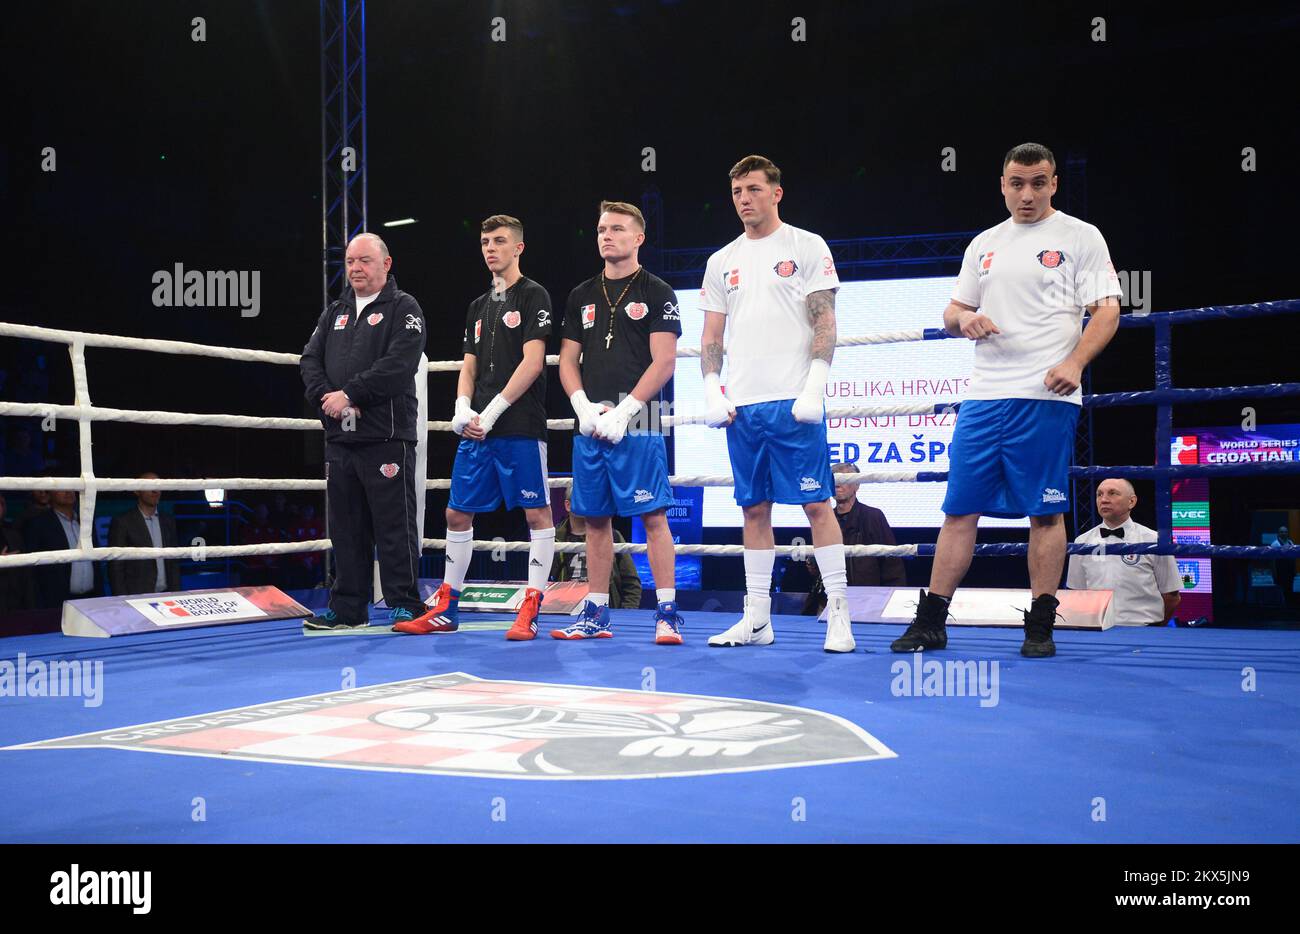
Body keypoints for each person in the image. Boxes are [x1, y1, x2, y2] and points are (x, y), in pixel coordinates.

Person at [891, 142, 1122, 658]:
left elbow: (1106, 311)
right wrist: (964, 319)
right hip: (983, 396)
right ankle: (931, 621)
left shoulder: (1081, 236)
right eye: (1017, 183)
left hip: (1045, 394)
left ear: (1054, 184)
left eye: (1038, 182)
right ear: (1002, 185)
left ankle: (1040, 624)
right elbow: (953, 311)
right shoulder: (985, 243)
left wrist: (1075, 363)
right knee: (958, 509)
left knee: (1045, 513)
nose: (1027, 193)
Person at [696, 155, 854, 653]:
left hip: (794, 399)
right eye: (737, 191)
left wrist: (815, 387)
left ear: (776, 192)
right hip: (744, 405)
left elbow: (825, 320)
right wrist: (711, 387)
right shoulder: (721, 260)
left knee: (816, 504)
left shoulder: (806, 245)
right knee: (753, 510)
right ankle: (758, 619)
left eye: (754, 189)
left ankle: (839, 617)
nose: (745, 198)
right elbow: (712, 335)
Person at [393, 215, 555, 640]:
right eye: (485, 242)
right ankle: (447, 606)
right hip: (478, 429)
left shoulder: (534, 295)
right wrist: (462, 406)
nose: (490, 248)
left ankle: (531, 608)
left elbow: (533, 362)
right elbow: (470, 365)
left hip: (519, 424)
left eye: (499, 241)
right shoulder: (477, 306)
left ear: (518, 247)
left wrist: (495, 409)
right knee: (456, 511)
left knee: (536, 512)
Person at [551, 201, 684, 643]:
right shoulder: (581, 294)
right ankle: (596, 613)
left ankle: (666, 612)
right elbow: (568, 360)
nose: (607, 236)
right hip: (590, 421)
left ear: (638, 237)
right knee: (593, 519)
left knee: (653, 515)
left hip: (640, 417)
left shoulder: (657, 291)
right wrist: (583, 407)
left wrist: (626, 410)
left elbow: (665, 361)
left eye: (618, 229)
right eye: (602, 229)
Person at [299, 232, 432, 631]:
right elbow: (309, 360)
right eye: (351, 261)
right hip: (341, 437)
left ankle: (405, 603)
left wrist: (351, 392)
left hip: (386, 436)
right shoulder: (335, 310)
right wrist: (328, 398)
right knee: (346, 527)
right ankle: (348, 608)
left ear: (386, 264)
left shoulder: (404, 307)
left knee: (394, 524)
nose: (355, 268)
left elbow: (399, 364)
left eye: (365, 261)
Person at [1066, 478, 1181, 625]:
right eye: (1099, 494)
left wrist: (1155, 627)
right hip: (1096, 630)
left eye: (1112, 493)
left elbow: (1172, 595)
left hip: (1145, 629)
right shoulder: (1082, 542)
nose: (1104, 499)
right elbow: (1077, 593)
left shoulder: (1154, 540)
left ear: (1131, 502)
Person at [802, 462, 907, 614]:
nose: (838, 484)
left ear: (857, 485)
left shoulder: (873, 516)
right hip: (830, 599)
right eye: (834, 480)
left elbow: (892, 563)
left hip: (869, 600)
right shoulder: (822, 519)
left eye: (844, 479)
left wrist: (894, 601)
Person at [551, 491, 643, 610]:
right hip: (564, 609)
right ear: (568, 505)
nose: (587, 505)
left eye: (590, 500)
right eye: (582, 500)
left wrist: (626, 614)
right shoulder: (554, 539)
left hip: (607, 609)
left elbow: (631, 583)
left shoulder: (613, 536)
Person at [107, 471, 182, 595]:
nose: (155, 491)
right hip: (137, 596)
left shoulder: (168, 520)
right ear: (137, 490)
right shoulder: (122, 522)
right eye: (149, 486)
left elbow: (173, 561)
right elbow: (116, 566)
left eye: (158, 486)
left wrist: (176, 593)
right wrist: (121, 598)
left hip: (167, 594)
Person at [26, 488, 101, 609]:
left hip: (91, 599)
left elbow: (95, 561)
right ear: (50, 494)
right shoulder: (39, 524)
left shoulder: (86, 521)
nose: (68, 491)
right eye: (61, 488)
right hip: (56, 601)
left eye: (71, 487)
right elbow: (32, 570)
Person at [0, 493, 33, 611]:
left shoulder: (14, 534)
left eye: (0, 504)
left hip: (16, 606)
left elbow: (26, 576)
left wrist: (30, 608)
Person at [1271, 525, 1296, 609]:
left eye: (1285, 531)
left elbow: (1293, 557)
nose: (1284, 533)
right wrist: (1274, 573)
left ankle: (1289, 607)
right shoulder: (1275, 544)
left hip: (1290, 570)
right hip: (1280, 570)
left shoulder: (1290, 542)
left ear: (1287, 533)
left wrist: (1294, 570)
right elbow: (1272, 560)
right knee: (1281, 589)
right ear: (1278, 533)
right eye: (1282, 532)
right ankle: (1281, 609)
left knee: (1289, 589)